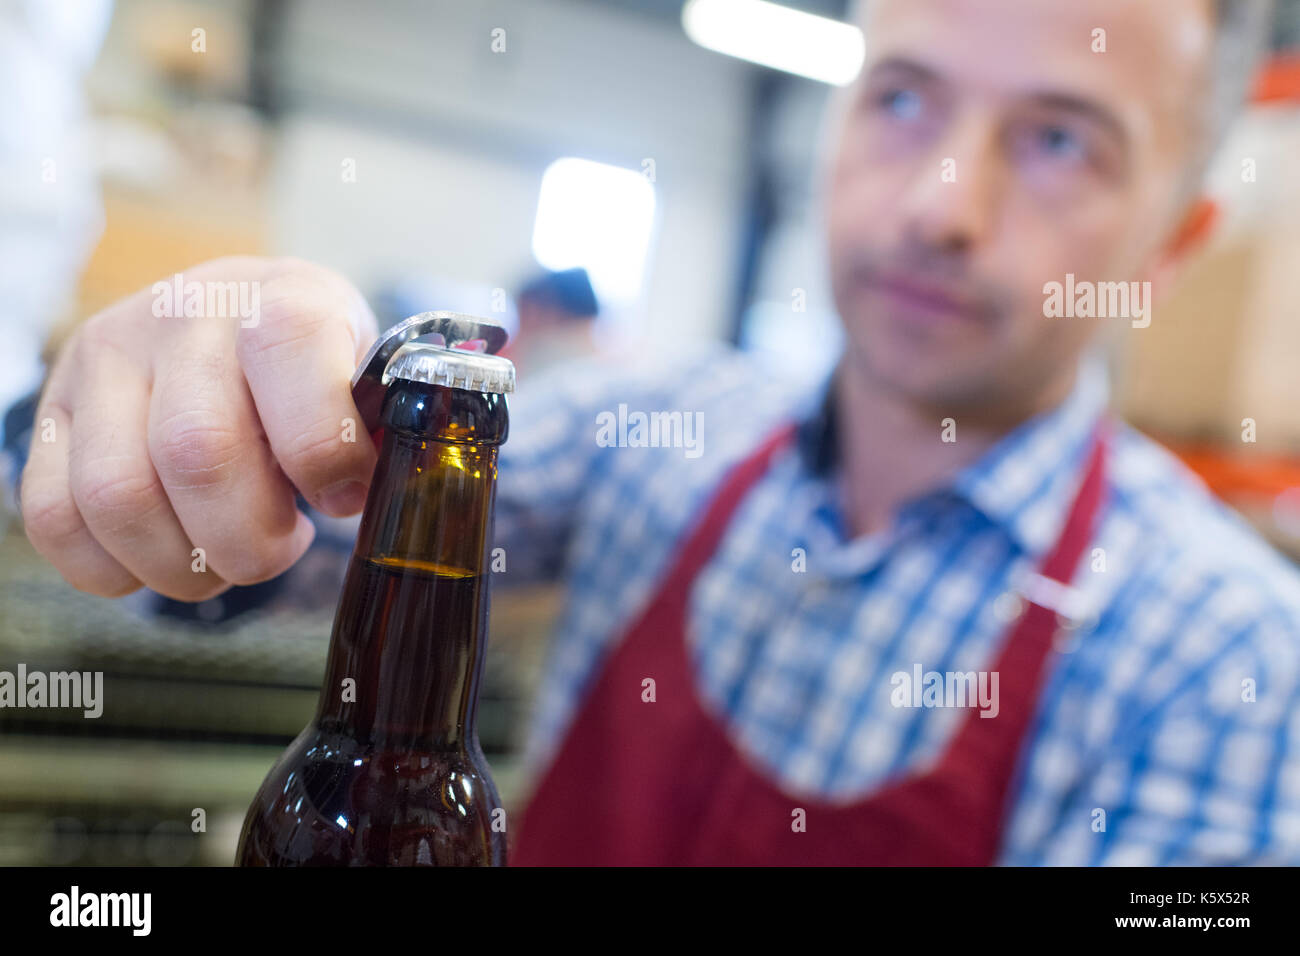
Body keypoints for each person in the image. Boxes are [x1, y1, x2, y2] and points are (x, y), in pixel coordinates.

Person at [16, 0, 1300, 864]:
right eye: (904, 100)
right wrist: (152, 416)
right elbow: (233, 565)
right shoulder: (660, 434)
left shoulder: (1222, 655)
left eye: (1060, 139)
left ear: (1172, 246)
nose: (944, 206)